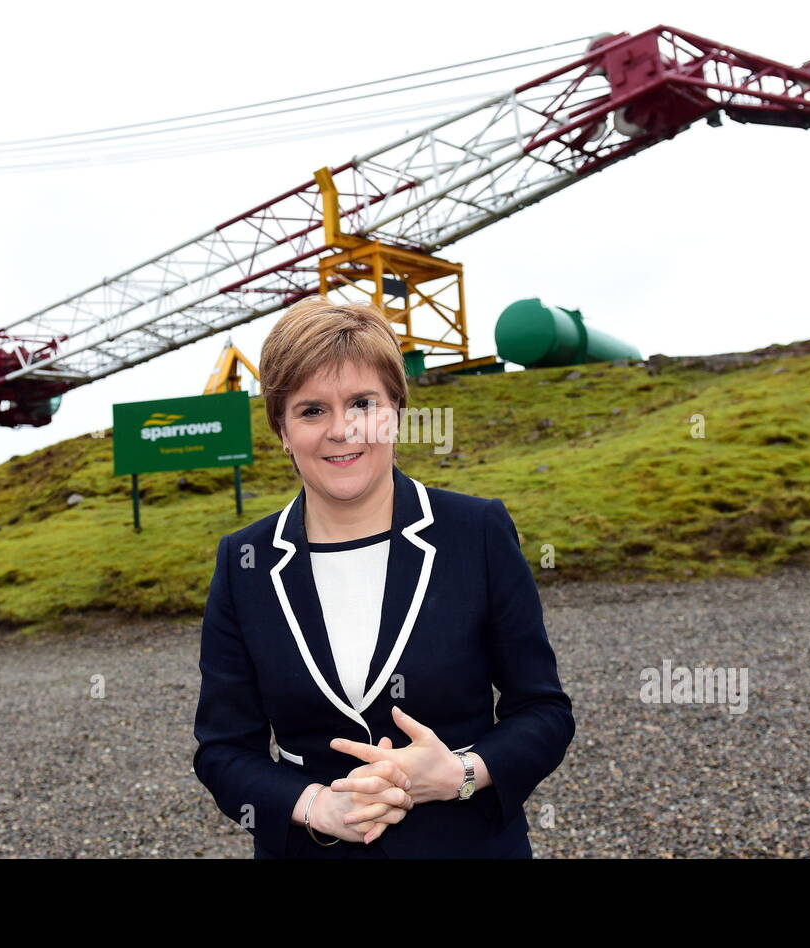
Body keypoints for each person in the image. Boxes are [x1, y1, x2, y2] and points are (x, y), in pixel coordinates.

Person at [192, 296, 574, 858]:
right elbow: (223, 749)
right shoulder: (243, 561)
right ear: (282, 431)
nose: (341, 430)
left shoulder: (476, 530)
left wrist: (459, 773)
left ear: (395, 409)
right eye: (311, 410)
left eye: (362, 402)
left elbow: (543, 711)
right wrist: (317, 806)